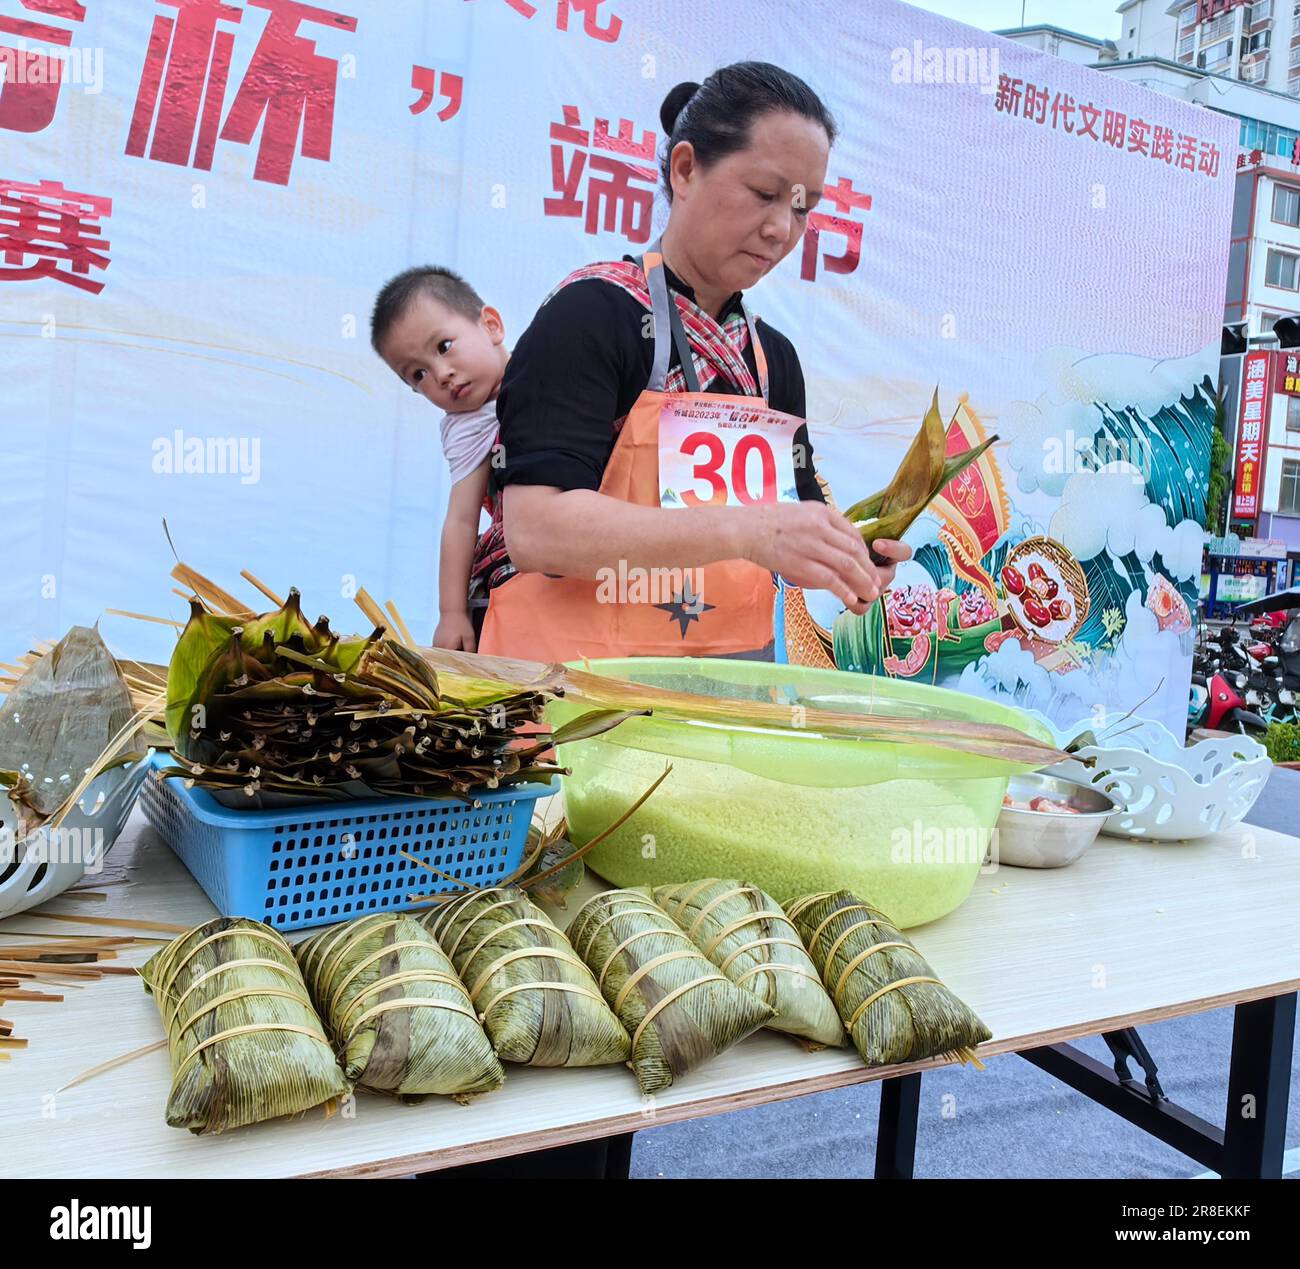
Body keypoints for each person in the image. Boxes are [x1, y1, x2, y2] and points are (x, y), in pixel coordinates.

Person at [479, 61, 910, 663]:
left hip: (724, 692)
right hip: (573, 694)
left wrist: (847, 557)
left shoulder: (772, 361)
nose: (781, 228)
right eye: (764, 193)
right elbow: (538, 531)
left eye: (803, 206)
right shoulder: (592, 315)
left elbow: (793, 520)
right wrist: (750, 530)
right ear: (685, 169)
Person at [371, 266, 511, 650]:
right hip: (525, 570)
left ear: (491, 326)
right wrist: (452, 614)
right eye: (418, 374)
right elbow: (462, 520)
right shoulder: (470, 425)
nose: (442, 375)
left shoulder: (554, 368)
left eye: (444, 346)